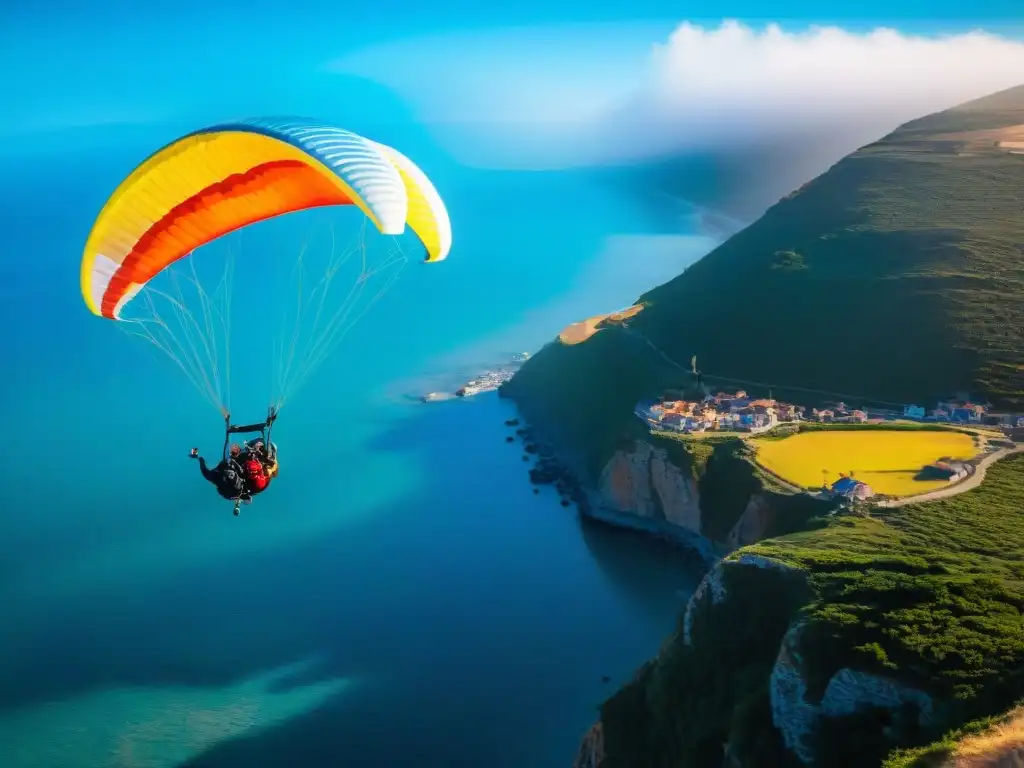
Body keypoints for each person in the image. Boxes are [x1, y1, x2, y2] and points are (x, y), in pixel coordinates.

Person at [189, 444, 249, 512]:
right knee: (236, 476)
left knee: (236, 480)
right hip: (234, 489)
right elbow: (241, 472)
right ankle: (240, 499)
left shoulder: (214, 476)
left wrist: (198, 457)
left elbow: (203, 467)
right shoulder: (215, 475)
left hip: (232, 490)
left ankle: (239, 499)